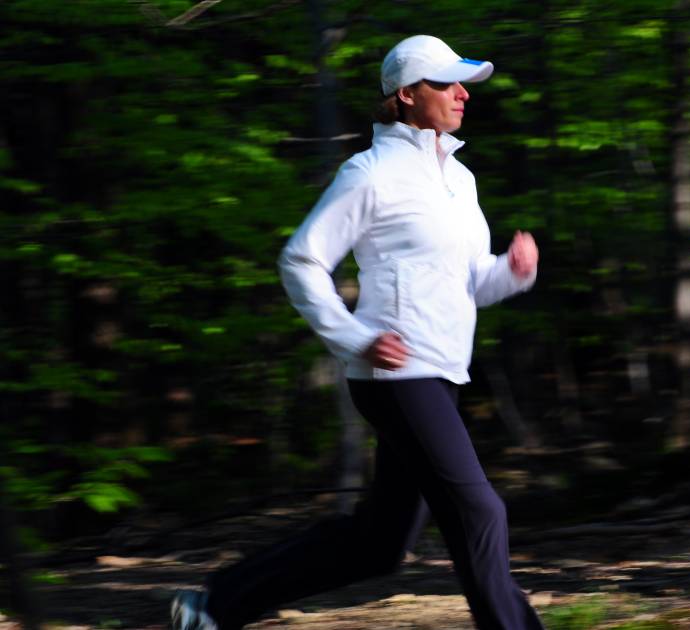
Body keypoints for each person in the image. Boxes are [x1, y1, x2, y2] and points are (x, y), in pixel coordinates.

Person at [170, 34, 545, 630]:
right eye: (446, 83)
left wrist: (511, 273)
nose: (460, 93)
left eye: (463, 83)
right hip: (395, 374)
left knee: (379, 543)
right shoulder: (369, 174)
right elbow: (301, 260)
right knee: (480, 514)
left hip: (440, 370)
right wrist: (351, 338)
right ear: (406, 94)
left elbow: (465, 282)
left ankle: (215, 606)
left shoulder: (460, 180)